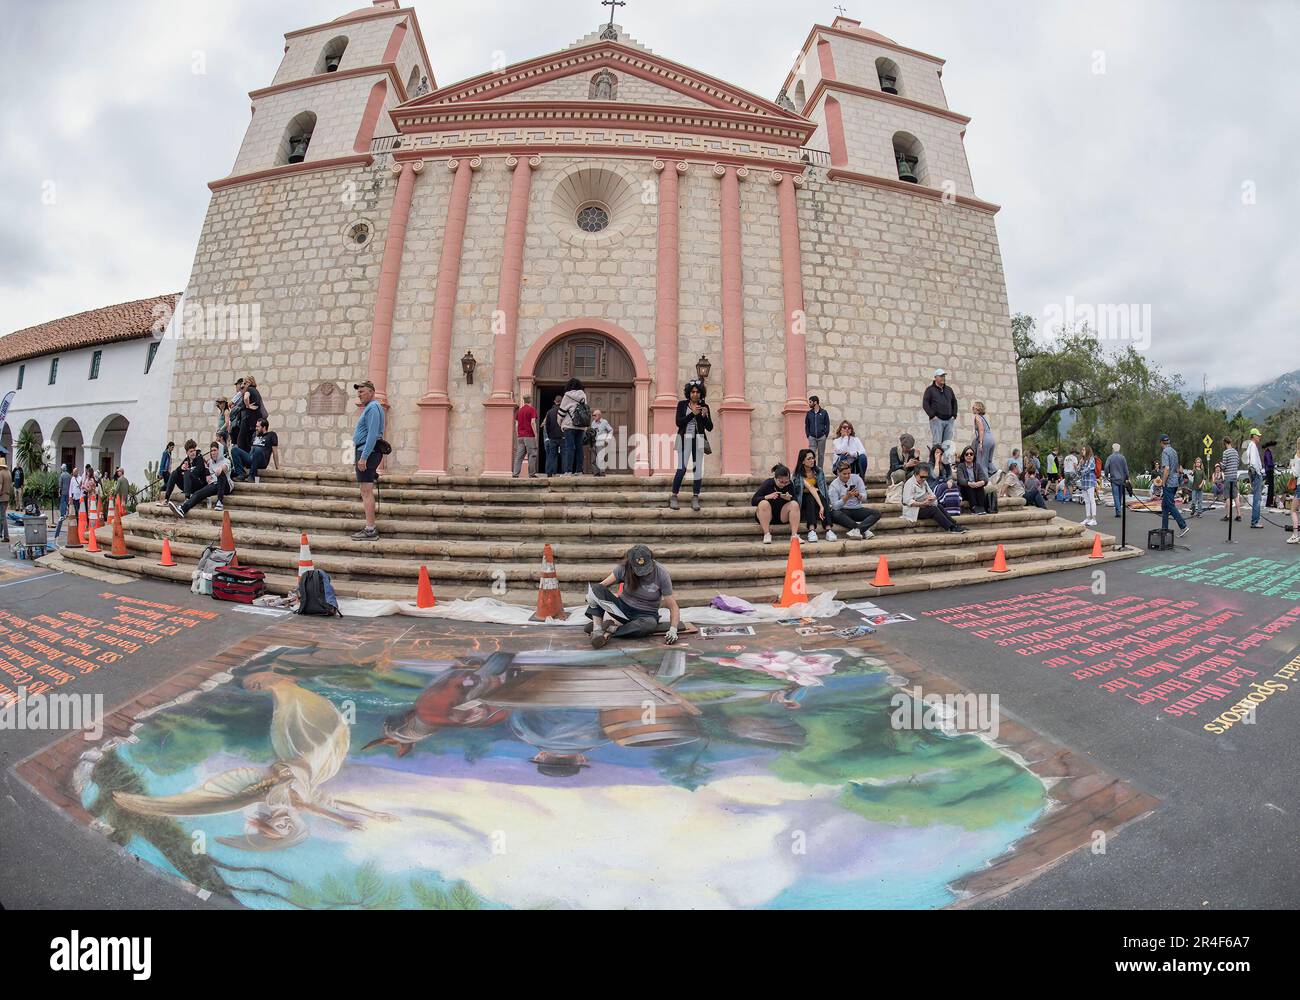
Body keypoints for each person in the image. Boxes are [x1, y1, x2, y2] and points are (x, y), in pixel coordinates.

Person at [585, 544, 681, 648]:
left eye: (646, 569)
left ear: (651, 560)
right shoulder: (623, 568)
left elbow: (673, 606)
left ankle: (612, 629)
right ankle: (597, 630)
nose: (644, 574)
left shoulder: (662, 574)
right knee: (596, 589)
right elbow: (601, 586)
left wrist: (673, 629)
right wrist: (591, 595)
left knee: (649, 625)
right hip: (622, 609)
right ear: (630, 564)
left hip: (645, 615)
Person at [670, 379, 712, 511]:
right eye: (693, 392)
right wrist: (692, 414)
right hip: (684, 439)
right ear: (689, 393)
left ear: (701, 393)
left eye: (698, 392)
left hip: (698, 440)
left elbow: (710, 427)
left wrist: (704, 416)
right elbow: (678, 422)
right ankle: (674, 496)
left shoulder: (705, 406)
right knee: (681, 469)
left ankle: (695, 497)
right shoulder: (682, 405)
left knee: (697, 469)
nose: (695, 394)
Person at [352, 379, 385, 540]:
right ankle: (370, 527)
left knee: (366, 491)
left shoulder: (372, 407)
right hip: (366, 450)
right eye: (358, 392)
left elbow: (372, 434)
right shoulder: (372, 407)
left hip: (367, 451)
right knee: (365, 490)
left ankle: (370, 529)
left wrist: (364, 457)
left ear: (371, 392)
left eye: (362, 391)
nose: (359, 394)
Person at [171, 441, 234, 517]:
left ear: (219, 451)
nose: (213, 453)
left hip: (225, 485)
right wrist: (208, 475)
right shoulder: (210, 462)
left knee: (220, 473)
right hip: (214, 485)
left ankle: (219, 501)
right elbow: (206, 468)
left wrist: (220, 468)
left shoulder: (226, 461)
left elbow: (225, 467)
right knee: (198, 493)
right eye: (211, 451)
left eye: (215, 450)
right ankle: (182, 509)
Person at [902, 464, 965, 533]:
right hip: (914, 510)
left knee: (939, 506)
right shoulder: (909, 483)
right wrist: (922, 503)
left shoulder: (924, 482)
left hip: (924, 506)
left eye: (926, 477)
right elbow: (907, 501)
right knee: (933, 509)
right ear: (915, 474)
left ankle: (955, 524)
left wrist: (931, 498)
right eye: (922, 477)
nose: (924, 479)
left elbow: (932, 494)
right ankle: (950, 528)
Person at [827, 459, 880, 539]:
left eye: (849, 473)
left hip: (857, 509)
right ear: (838, 472)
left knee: (876, 513)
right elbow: (835, 506)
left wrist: (858, 495)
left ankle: (857, 530)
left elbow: (865, 498)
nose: (847, 476)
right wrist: (846, 497)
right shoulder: (833, 486)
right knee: (834, 514)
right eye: (844, 474)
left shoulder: (857, 479)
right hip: (843, 511)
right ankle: (864, 530)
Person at [791, 447, 835, 543]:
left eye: (813, 458)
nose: (812, 460)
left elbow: (824, 489)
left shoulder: (818, 471)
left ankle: (828, 530)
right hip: (802, 502)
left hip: (817, 499)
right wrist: (809, 490)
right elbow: (800, 491)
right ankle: (811, 530)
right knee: (810, 497)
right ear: (802, 461)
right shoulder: (797, 474)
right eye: (809, 459)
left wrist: (828, 503)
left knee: (822, 497)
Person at [752, 463, 800, 545]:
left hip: (782, 515)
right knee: (763, 503)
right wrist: (767, 497)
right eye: (781, 482)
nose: (783, 484)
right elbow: (753, 501)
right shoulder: (768, 483)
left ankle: (794, 535)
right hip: (766, 516)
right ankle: (767, 534)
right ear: (775, 478)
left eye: (786, 482)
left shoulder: (789, 484)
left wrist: (789, 498)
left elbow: (796, 501)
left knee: (794, 504)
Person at [1158, 433, 1189, 538]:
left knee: (1170, 504)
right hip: (1175, 482)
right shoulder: (1174, 451)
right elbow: (1177, 468)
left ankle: (1183, 526)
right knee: (1165, 505)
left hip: (1169, 483)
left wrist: (1163, 482)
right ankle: (1164, 529)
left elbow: (1166, 469)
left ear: (1162, 442)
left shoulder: (1165, 452)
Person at [158, 440, 205, 508]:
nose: (193, 453)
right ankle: (166, 499)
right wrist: (181, 468)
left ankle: (187, 500)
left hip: (199, 486)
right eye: (191, 451)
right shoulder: (186, 460)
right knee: (174, 473)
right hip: (188, 486)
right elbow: (177, 471)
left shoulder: (199, 458)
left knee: (187, 472)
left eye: (194, 450)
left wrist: (187, 471)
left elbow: (198, 472)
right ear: (187, 453)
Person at [558, 377, 588, 475]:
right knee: (579, 447)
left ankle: (568, 471)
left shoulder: (567, 396)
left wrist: (560, 423)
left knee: (569, 447)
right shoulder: (583, 395)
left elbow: (561, 412)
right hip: (581, 426)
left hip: (569, 426)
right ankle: (579, 470)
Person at [922, 368, 957, 447]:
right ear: (936, 377)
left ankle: (945, 459)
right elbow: (925, 404)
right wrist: (932, 416)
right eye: (941, 376)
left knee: (947, 444)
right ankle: (936, 459)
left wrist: (954, 416)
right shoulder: (930, 390)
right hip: (937, 420)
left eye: (944, 376)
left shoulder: (949, 389)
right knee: (937, 444)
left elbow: (954, 402)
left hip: (949, 421)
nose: (943, 378)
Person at [955, 446, 989, 515]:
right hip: (965, 491)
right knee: (969, 486)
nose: (969, 456)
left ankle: (981, 507)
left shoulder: (977, 466)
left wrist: (981, 482)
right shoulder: (961, 466)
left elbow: (985, 478)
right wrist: (970, 483)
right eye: (966, 454)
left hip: (976, 489)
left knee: (980, 486)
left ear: (974, 456)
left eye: (971, 454)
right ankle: (974, 508)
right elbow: (961, 480)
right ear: (964, 456)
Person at [512, 394, 538, 478]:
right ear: (530, 400)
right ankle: (531, 474)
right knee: (532, 455)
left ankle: (515, 474)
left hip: (520, 436)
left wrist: (518, 434)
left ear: (524, 400)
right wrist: (536, 434)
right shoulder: (532, 410)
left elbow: (516, 424)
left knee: (519, 456)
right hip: (529, 436)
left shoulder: (519, 411)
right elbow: (532, 422)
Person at [237, 376, 264, 453]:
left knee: (241, 440)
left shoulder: (249, 389)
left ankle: (243, 458)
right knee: (249, 440)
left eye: (245, 383)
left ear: (249, 383)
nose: (243, 385)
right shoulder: (256, 391)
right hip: (255, 419)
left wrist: (247, 405)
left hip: (248, 419)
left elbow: (246, 397)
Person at [1244, 428, 1265, 529]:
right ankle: (1255, 521)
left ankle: (1255, 520)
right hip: (1256, 474)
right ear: (1254, 436)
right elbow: (1253, 462)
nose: (1259, 437)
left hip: (1254, 474)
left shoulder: (1250, 446)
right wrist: (1259, 472)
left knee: (1257, 498)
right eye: (1258, 435)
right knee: (1257, 498)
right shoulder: (1252, 446)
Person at [1103, 443, 1128, 517]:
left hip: (1114, 479)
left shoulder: (1110, 458)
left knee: (1116, 495)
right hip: (1122, 479)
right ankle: (1118, 510)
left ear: (1113, 449)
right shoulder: (1122, 457)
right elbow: (1126, 469)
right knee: (1120, 495)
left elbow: (1106, 468)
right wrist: (1127, 478)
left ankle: (1118, 511)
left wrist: (1106, 475)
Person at [805, 396, 830, 471]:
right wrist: (808, 435)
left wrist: (825, 435)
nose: (809, 404)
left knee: (821, 455)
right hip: (812, 437)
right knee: (811, 454)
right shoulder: (809, 413)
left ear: (815, 402)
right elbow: (807, 425)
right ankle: (812, 470)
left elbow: (827, 424)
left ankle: (819, 471)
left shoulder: (824, 412)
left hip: (822, 437)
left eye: (810, 402)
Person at [971, 400, 995, 477]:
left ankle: (985, 482)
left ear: (977, 408)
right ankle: (996, 473)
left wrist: (980, 443)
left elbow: (981, 430)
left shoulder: (977, 417)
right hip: (991, 439)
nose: (972, 408)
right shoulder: (983, 418)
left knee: (981, 463)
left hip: (985, 439)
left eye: (974, 406)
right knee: (988, 461)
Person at [1220, 437, 1241, 522]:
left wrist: (1220, 464)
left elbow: (1224, 466)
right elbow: (1238, 463)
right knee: (1236, 496)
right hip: (1234, 476)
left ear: (1225, 443)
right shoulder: (1236, 452)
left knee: (1227, 497)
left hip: (1228, 477)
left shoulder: (1225, 452)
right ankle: (1239, 514)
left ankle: (1228, 515)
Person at [589, 408, 614, 477]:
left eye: (594, 415)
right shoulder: (593, 423)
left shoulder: (604, 422)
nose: (593, 417)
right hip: (593, 442)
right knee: (593, 459)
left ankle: (602, 472)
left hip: (600, 442)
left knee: (600, 458)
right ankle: (596, 473)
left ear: (599, 415)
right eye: (593, 415)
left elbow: (611, 430)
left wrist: (607, 439)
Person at [542, 399, 562, 477]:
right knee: (554, 455)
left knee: (550, 456)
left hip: (549, 439)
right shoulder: (550, 422)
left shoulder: (546, 422)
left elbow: (546, 430)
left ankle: (549, 472)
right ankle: (553, 471)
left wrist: (548, 438)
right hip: (551, 439)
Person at [1079, 445, 1098, 526]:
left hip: (1090, 482)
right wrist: (1079, 465)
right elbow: (1078, 471)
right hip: (1084, 483)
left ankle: (1094, 519)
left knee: (1091, 500)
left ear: (1087, 450)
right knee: (1086, 501)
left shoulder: (1091, 459)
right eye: (1082, 450)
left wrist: (1081, 469)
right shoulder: (1082, 460)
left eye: (1083, 450)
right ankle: (1088, 518)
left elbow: (1089, 469)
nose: (1082, 451)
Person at [1287, 437, 1300, 544]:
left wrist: (1292, 466)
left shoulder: (1297, 456)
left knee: (1293, 510)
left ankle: (1295, 535)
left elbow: (1295, 473)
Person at [0, 453, 10, 544]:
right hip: (7, 496)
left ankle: (6, 536)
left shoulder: (1, 473)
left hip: (2, 497)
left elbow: (0, 486)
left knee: (3, 517)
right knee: (2, 516)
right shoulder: (8, 473)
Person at [1263, 441, 1277, 509]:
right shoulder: (1268, 453)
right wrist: (1273, 465)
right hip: (1269, 470)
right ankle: (1269, 502)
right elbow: (1269, 462)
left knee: (1271, 487)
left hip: (1269, 470)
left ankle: (1270, 502)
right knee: (1271, 487)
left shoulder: (1267, 452)